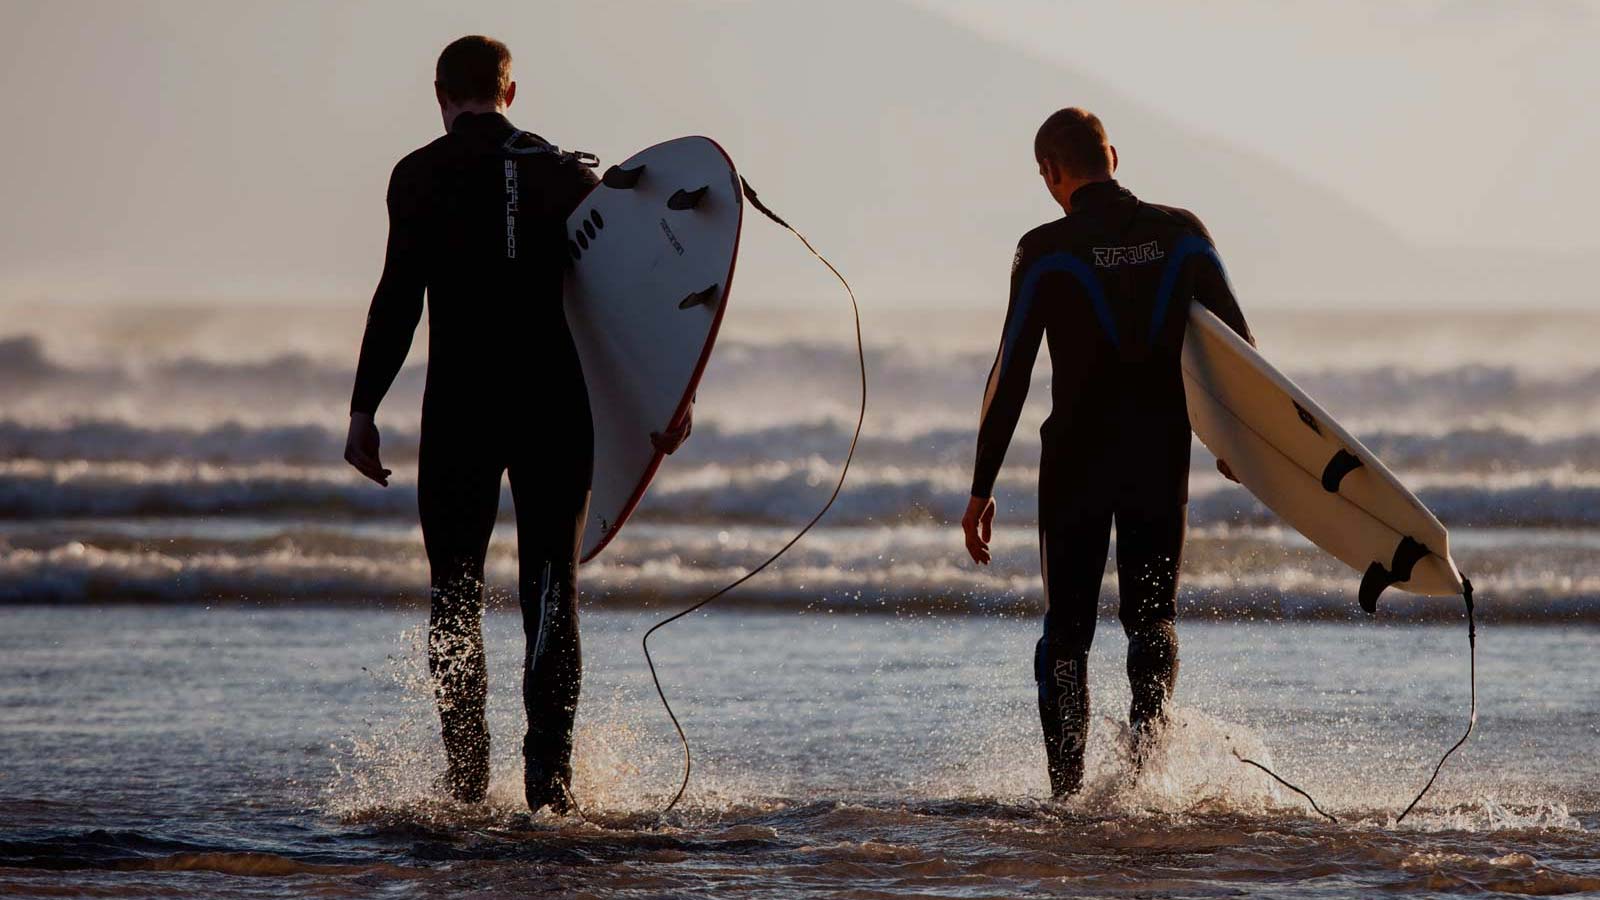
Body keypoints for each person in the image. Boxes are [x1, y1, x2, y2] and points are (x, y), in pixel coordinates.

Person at [343, 35, 687, 813]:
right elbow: (626, 299)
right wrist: (672, 396)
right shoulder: (563, 172)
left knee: (454, 593)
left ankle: (465, 783)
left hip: (460, 405)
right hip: (550, 403)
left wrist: (364, 408)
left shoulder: (418, 175)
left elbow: (398, 295)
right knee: (550, 591)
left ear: (439, 95)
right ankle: (549, 788)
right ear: (511, 91)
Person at [961, 108, 1253, 798]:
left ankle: (1068, 798)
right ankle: (1146, 781)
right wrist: (1242, 445)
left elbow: (1012, 373)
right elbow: (1240, 351)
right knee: (1152, 621)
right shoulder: (1182, 235)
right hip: (1159, 456)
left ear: (1052, 172)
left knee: (1067, 635)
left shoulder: (1044, 249)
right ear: (1113, 156)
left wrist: (981, 486)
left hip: (1076, 465)